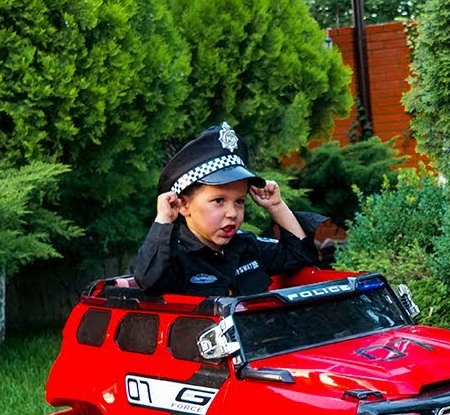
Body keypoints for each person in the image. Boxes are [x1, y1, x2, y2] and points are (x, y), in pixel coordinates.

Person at [134, 123, 316, 296]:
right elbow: (149, 280)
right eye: (219, 200)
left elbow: (300, 256)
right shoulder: (175, 257)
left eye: (239, 201)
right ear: (183, 205)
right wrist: (164, 218)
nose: (233, 213)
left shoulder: (247, 246)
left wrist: (277, 207)